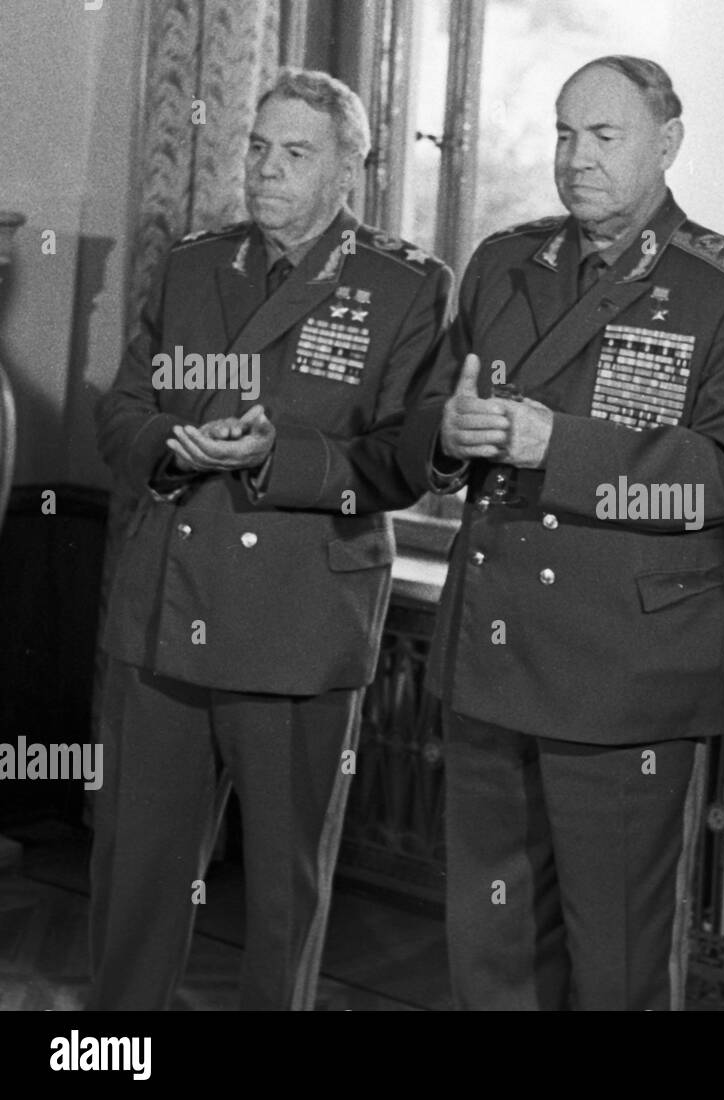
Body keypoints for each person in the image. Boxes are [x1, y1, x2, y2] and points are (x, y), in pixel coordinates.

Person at [397, 55, 724, 1010]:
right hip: (492, 654)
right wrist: (445, 438)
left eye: (604, 136)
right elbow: (428, 419)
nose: (577, 158)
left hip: (622, 673)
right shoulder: (503, 262)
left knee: (613, 962)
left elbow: (723, 475)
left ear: (668, 142)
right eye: (565, 134)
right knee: (489, 950)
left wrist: (555, 446)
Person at [90, 67, 452, 1010]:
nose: (266, 171)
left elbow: (401, 462)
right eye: (257, 148)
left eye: (295, 154)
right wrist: (173, 444)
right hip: (168, 605)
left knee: (284, 894)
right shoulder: (198, 262)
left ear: (348, 170)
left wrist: (275, 454)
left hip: (296, 620)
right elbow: (124, 408)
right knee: (135, 876)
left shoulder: (405, 285)